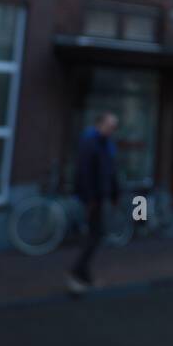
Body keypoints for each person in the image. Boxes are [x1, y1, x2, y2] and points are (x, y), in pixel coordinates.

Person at [68, 112, 121, 295]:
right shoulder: (90, 143)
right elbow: (84, 173)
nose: (113, 129)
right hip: (93, 199)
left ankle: (84, 276)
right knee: (94, 236)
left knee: (96, 235)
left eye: (115, 127)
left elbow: (111, 171)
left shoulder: (107, 145)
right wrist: (89, 199)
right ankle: (76, 274)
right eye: (110, 125)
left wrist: (115, 194)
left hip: (101, 197)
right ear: (100, 124)